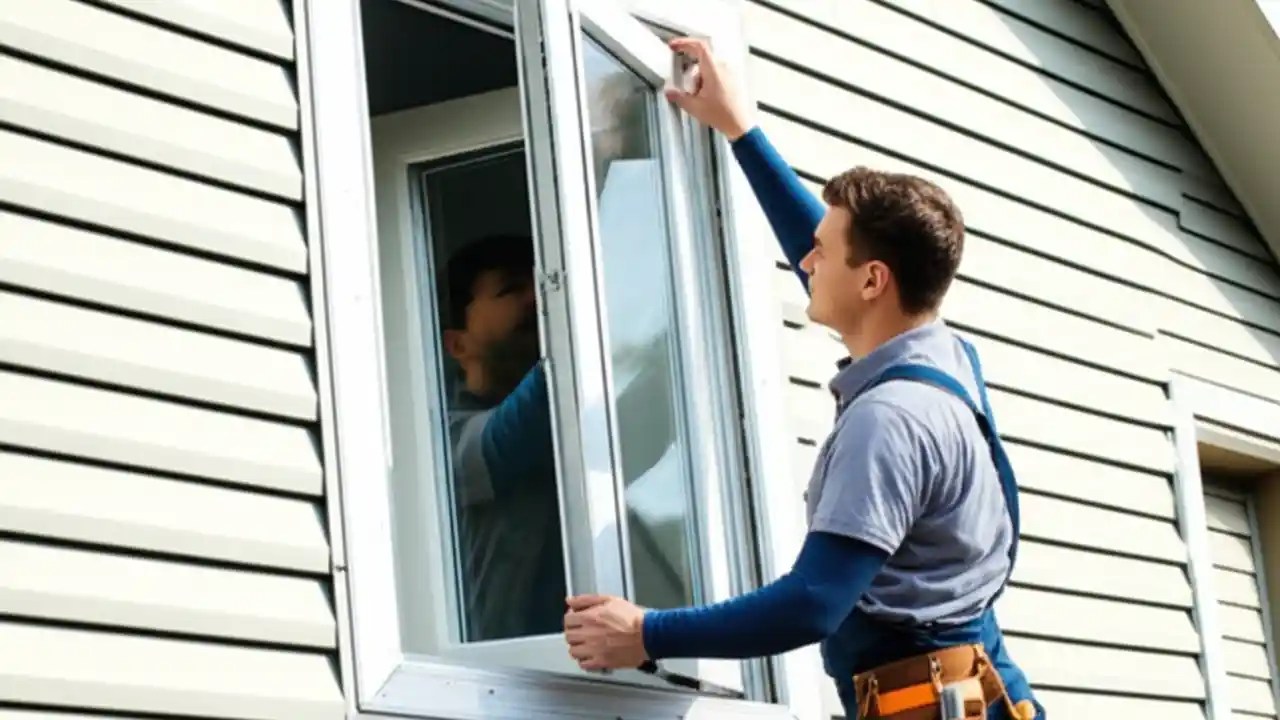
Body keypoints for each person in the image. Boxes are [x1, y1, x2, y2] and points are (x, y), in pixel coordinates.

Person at [561, 38, 1044, 720]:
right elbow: (823, 251)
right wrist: (740, 129)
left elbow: (814, 601)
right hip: (975, 690)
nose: (808, 256)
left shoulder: (891, 421)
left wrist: (644, 634)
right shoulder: (944, 358)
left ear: (874, 281)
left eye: (826, 247)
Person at [441, 234, 565, 642]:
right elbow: (510, 435)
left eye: (539, 284)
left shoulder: (580, 426)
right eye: (512, 288)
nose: (536, 298)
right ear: (457, 343)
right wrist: (567, 319)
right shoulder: (444, 439)